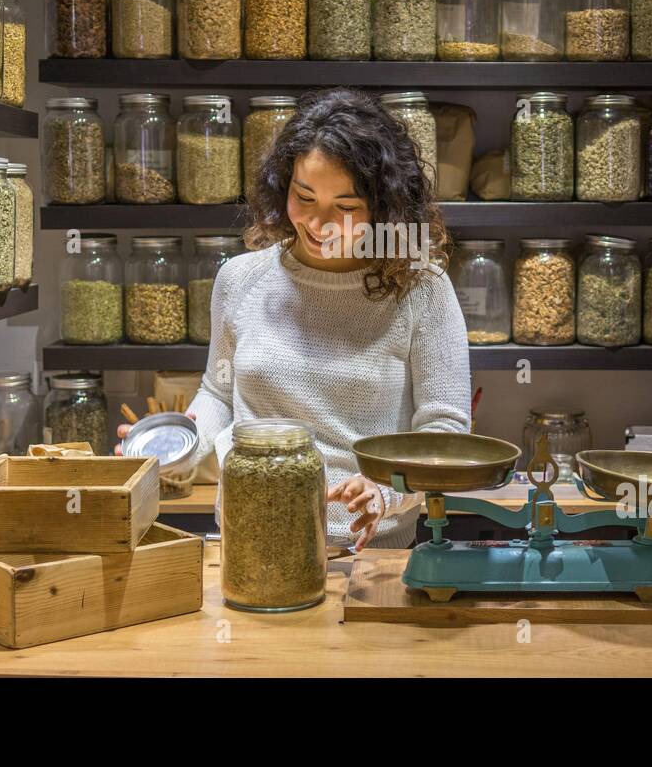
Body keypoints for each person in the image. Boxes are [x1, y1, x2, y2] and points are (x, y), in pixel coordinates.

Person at [117, 88, 471, 549]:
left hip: (365, 557)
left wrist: (387, 490)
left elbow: (444, 431)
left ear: (385, 209)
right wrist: (176, 447)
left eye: (345, 207)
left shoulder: (422, 289)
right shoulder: (240, 278)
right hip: (248, 544)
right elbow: (219, 392)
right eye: (304, 197)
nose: (320, 223)